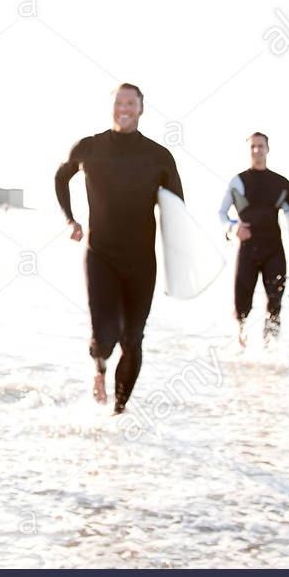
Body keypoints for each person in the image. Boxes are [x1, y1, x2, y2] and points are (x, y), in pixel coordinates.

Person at [54, 84, 182, 415]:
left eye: (131, 103)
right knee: (105, 336)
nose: (124, 108)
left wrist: (181, 269)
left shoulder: (159, 157)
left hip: (142, 262)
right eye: (119, 102)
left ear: (141, 109)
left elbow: (178, 211)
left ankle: (119, 413)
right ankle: (99, 369)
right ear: (111, 107)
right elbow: (60, 176)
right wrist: (71, 220)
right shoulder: (89, 147)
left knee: (133, 339)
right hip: (101, 256)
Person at [219, 132, 289, 348]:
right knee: (242, 304)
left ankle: (270, 349)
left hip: (274, 249)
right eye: (253, 146)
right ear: (249, 150)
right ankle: (241, 346)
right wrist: (234, 227)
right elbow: (220, 213)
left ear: (267, 149)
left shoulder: (280, 184)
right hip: (247, 250)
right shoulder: (238, 181)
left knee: (275, 301)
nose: (257, 150)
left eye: (260, 146)